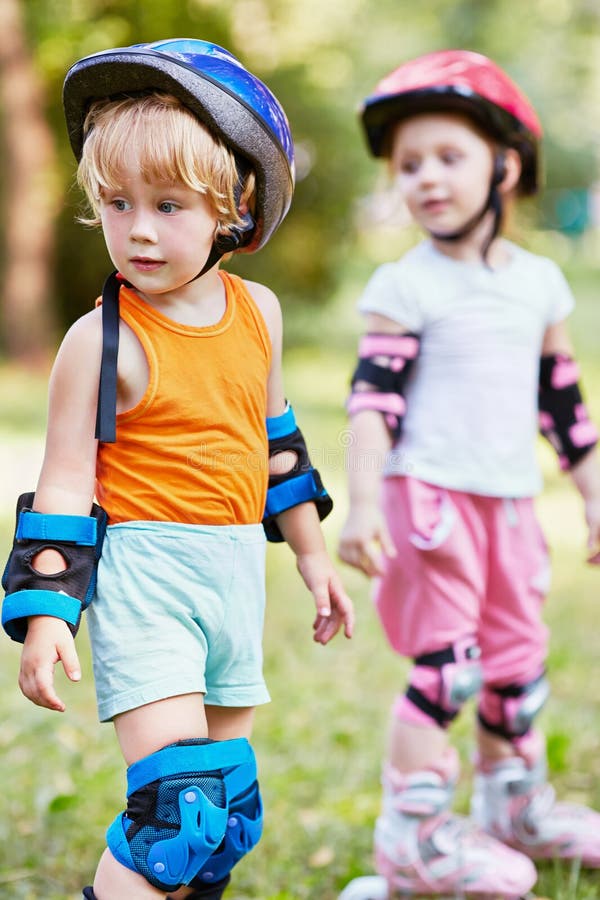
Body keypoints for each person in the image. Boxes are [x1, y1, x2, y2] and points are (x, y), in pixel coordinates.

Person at [1, 39, 354, 900]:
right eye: (117, 203)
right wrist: (47, 612)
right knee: (177, 814)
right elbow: (64, 481)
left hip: (233, 575)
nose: (140, 229)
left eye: (168, 204)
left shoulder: (258, 312)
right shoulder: (100, 342)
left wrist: (312, 557)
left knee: (224, 822)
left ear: (234, 207)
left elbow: (276, 443)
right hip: (147, 580)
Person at [338, 49, 600, 899]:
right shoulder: (404, 285)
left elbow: (563, 406)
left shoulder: (540, 284)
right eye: (410, 164)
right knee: (448, 667)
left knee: (517, 662)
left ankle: (511, 807)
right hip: (429, 501)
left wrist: (593, 494)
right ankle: (411, 841)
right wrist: (363, 503)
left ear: (505, 168)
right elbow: (371, 404)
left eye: (448, 157)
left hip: (512, 507)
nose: (425, 178)